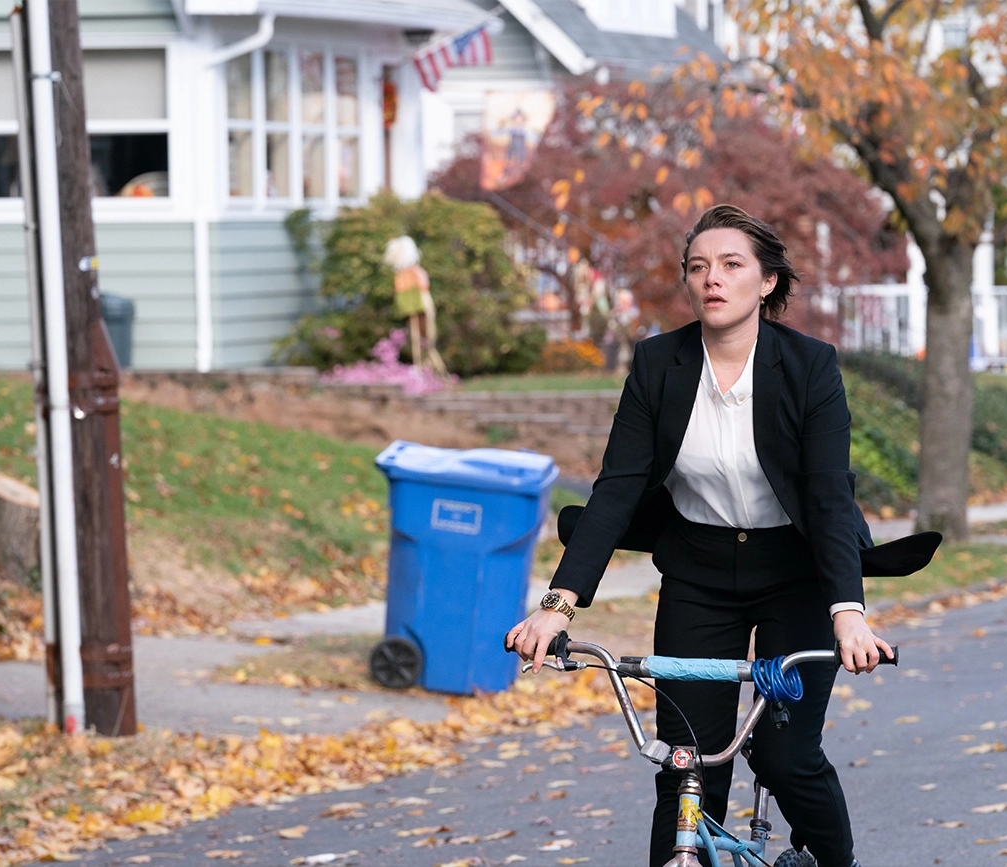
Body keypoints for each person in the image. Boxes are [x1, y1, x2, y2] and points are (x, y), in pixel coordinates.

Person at [506, 205, 900, 867]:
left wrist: (849, 614)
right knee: (686, 764)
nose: (711, 278)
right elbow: (617, 489)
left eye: (731, 264)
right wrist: (559, 605)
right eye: (697, 267)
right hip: (699, 571)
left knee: (785, 754)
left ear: (766, 282)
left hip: (796, 572)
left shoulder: (809, 367)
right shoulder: (659, 364)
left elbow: (830, 499)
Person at [384, 236, 446, 374]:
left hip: (420, 305)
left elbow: (423, 287)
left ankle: (435, 370)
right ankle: (421, 368)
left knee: (425, 341)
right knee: (416, 339)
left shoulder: (414, 272)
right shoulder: (401, 275)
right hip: (412, 306)